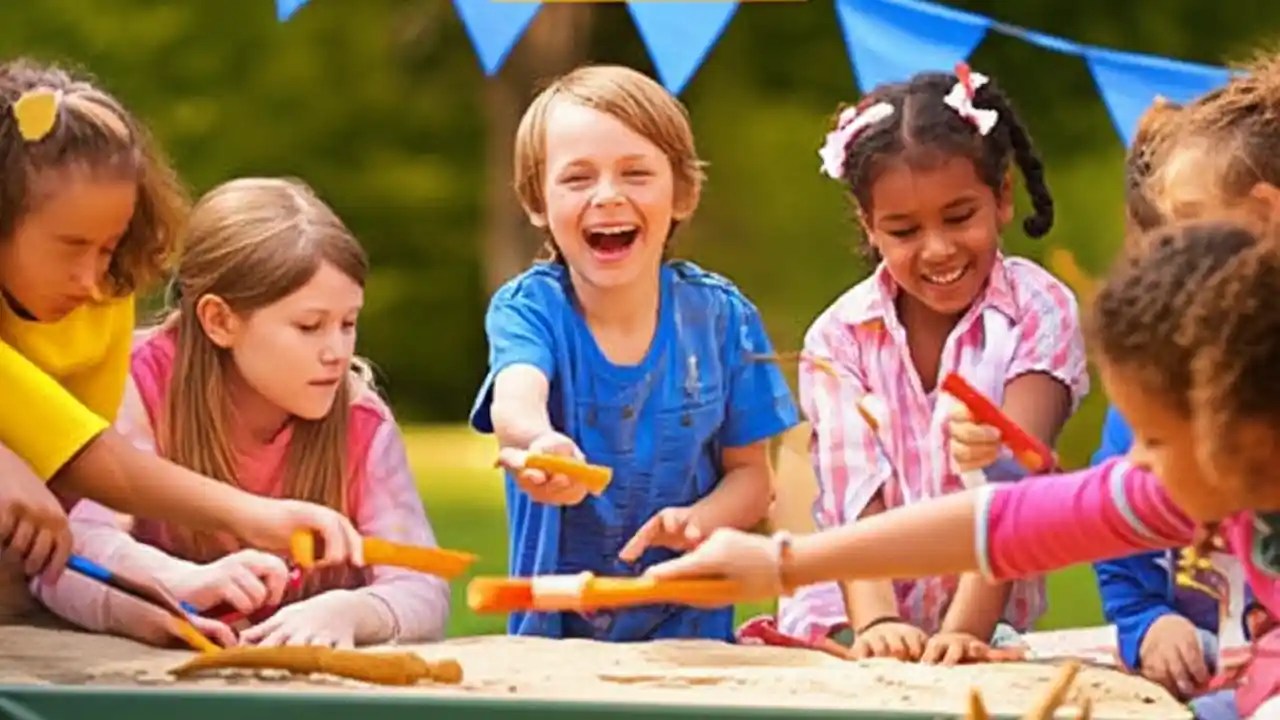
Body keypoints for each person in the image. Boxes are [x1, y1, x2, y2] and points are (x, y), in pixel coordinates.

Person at [646, 219, 1280, 718]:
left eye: (1155, 438)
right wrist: (780, 563)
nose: (1133, 462)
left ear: (1237, 426)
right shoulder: (1191, 480)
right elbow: (1001, 523)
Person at [0, 59, 362, 619]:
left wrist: (254, 522)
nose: (92, 278)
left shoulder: (101, 299)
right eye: (71, 247)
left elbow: (87, 460)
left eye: (108, 248)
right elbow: (80, 458)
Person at [31, 178, 450, 649]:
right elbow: (67, 553)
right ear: (219, 320)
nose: (337, 351)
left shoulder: (362, 423)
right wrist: (175, 586)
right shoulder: (135, 385)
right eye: (309, 326)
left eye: (348, 323)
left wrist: (350, 612)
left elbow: (422, 585)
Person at [469, 63, 799, 642]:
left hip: (693, 641)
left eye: (636, 173)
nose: (608, 196)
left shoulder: (723, 318)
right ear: (536, 201)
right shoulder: (530, 309)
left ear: (683, 193)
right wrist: (540, 443)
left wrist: (699, 520)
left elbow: (752, 479)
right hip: (553, 641)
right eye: (577, 178)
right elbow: (515, 399)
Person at [775, 62, 1087, 664]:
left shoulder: (1038, 310)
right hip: (850, 613)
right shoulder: (840, 337)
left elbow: (1015, 488)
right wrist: (877, 621)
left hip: (987, 614)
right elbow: (853, 496)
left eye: (959, 217)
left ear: (1002, 198)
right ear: (870, 227)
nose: (938, 249)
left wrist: (965, 630)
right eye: (904, 230)